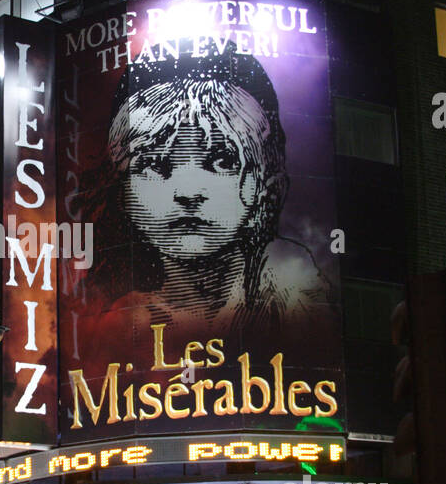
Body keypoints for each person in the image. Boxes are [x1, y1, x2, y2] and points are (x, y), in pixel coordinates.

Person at [71, 42, 332, 349]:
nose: (189, 192)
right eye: (155, 163)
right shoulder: (115, 323)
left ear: (264, 181)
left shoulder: (294, 293)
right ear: (123, 189)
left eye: (222, 160)